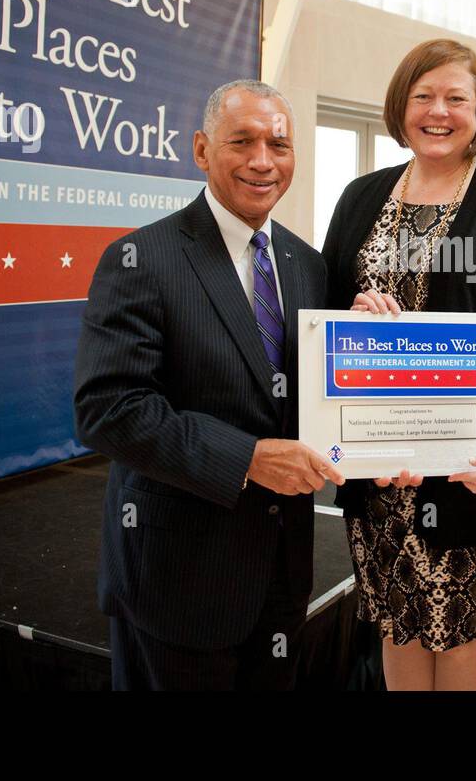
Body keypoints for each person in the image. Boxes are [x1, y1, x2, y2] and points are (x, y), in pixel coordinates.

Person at [74, 79, 343, 690]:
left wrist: (365, 366)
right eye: (241, 141)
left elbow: (299, 397)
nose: (262, 160)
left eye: (279, 144)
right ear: (201, 150)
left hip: (280, 575)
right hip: (178, 581)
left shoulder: (307, 264)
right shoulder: (142, 259)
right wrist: (246, 458)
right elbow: (108, 410)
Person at [321, 39, 476, 691]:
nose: (439, 110)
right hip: (377, 469)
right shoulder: (359, 197)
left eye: (457, 97)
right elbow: (322, 325)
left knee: (458, 628)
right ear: (401, 106)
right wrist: (351, 315)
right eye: (424, 95)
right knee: (400, 622)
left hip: (469, 468)